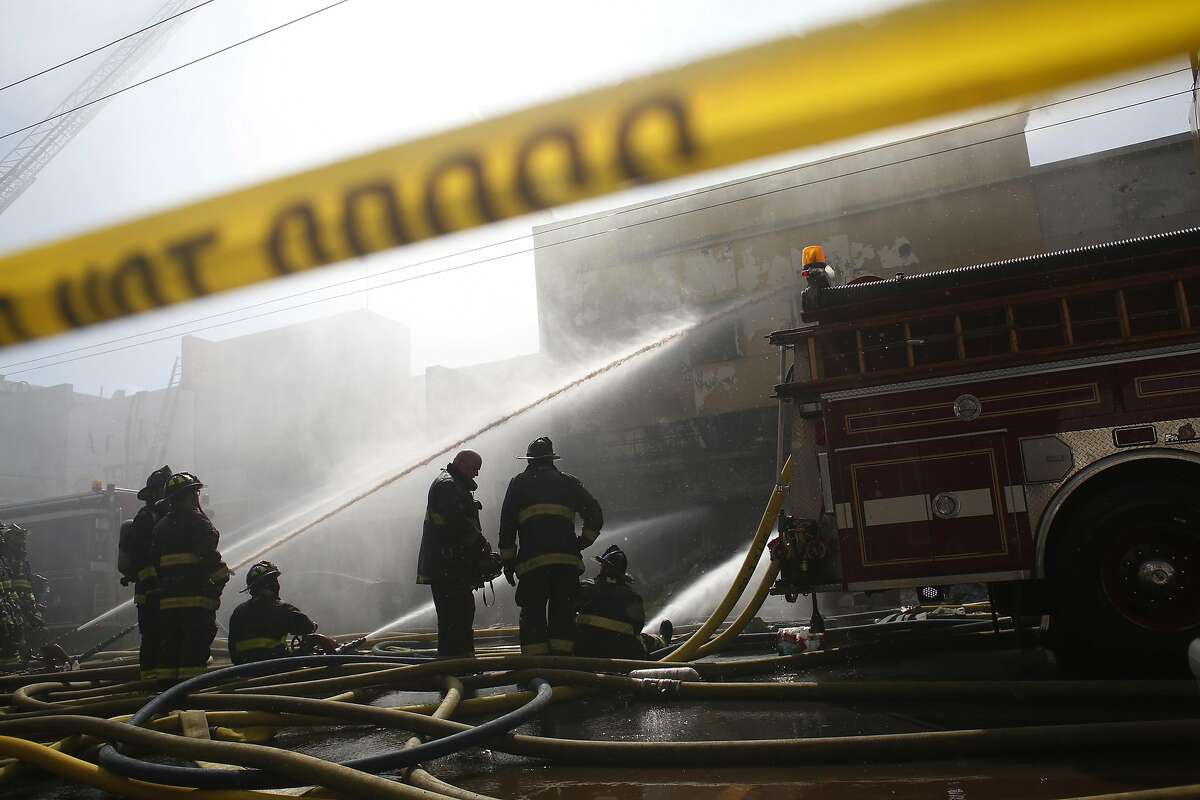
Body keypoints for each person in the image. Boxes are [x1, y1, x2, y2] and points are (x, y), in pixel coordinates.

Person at [499, 436, 603, 656]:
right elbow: (595, 515)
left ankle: (536, 667)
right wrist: (580, 543)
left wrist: (508, 562)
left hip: (532, 565)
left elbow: (507, 527)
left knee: (533, 614)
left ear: (530, 461)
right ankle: (563, 666)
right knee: (563, 613)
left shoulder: (518, 483)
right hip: (566, 564)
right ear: (551, 459)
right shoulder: (569, 483)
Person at [152, 472, 230, 686]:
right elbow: (209, 557)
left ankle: (165, 694)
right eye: (195, 492)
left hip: (168, 603)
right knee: (193, 650)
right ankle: (191, 695)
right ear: (189, 495)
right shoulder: (197, 522)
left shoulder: (160, 528)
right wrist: (221, 578)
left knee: (170, 649)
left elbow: (157, 564)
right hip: (196, 600)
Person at [417, 450, 492, 658]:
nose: (476, 474)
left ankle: (459, 664)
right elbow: (457, 525)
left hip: (450, 567)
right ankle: (456, 667)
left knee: (460, 617)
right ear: (460, 462)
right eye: (474, 468)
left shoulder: (452, 485)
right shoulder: (448, 486)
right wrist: (481, 545)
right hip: (447, 568)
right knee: (455, 619)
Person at [118, 465, 172, 681]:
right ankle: (150, 683)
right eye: (164, 490)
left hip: (165, 591)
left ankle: (164, 683)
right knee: (152, 637)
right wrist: (153, 585)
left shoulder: (168, 517)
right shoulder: (146, 518)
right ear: (154, 493)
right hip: (149, 594)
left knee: (167, 638)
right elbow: (141, 556)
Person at [228, 561, 335, 664]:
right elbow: (308, 627)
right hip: (277, 667)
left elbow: (233, 652)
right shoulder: (282, 608)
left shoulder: (238, 611)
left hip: (244, 669)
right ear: (271, 584)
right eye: (275, 580)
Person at [3, 523, 43, 660]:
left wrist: (32, 609)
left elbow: (22, 587)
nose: (20, 544)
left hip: (12, 613)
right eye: (16, 540)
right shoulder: (6, 560)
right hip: (7, 613)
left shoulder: (15, 560)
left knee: (15, 645)